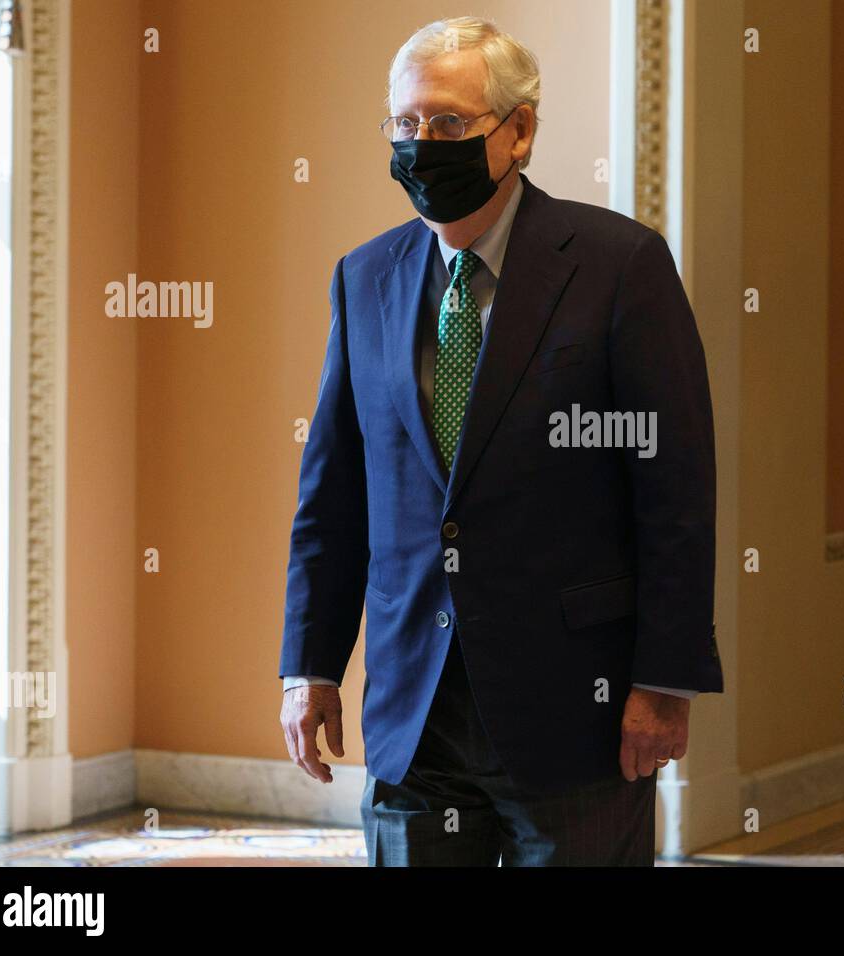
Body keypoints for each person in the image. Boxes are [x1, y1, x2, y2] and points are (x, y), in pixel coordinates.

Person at [277, 16, 722, 865]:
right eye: (404, 125)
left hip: (575, 715)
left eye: (448, 124)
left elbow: (676, 493)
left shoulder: (619, 266)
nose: (421, 144)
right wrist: (310, 666)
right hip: (414, 711)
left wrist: (665, 681)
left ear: (518, 131)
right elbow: (333, 495)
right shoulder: (364, 277)